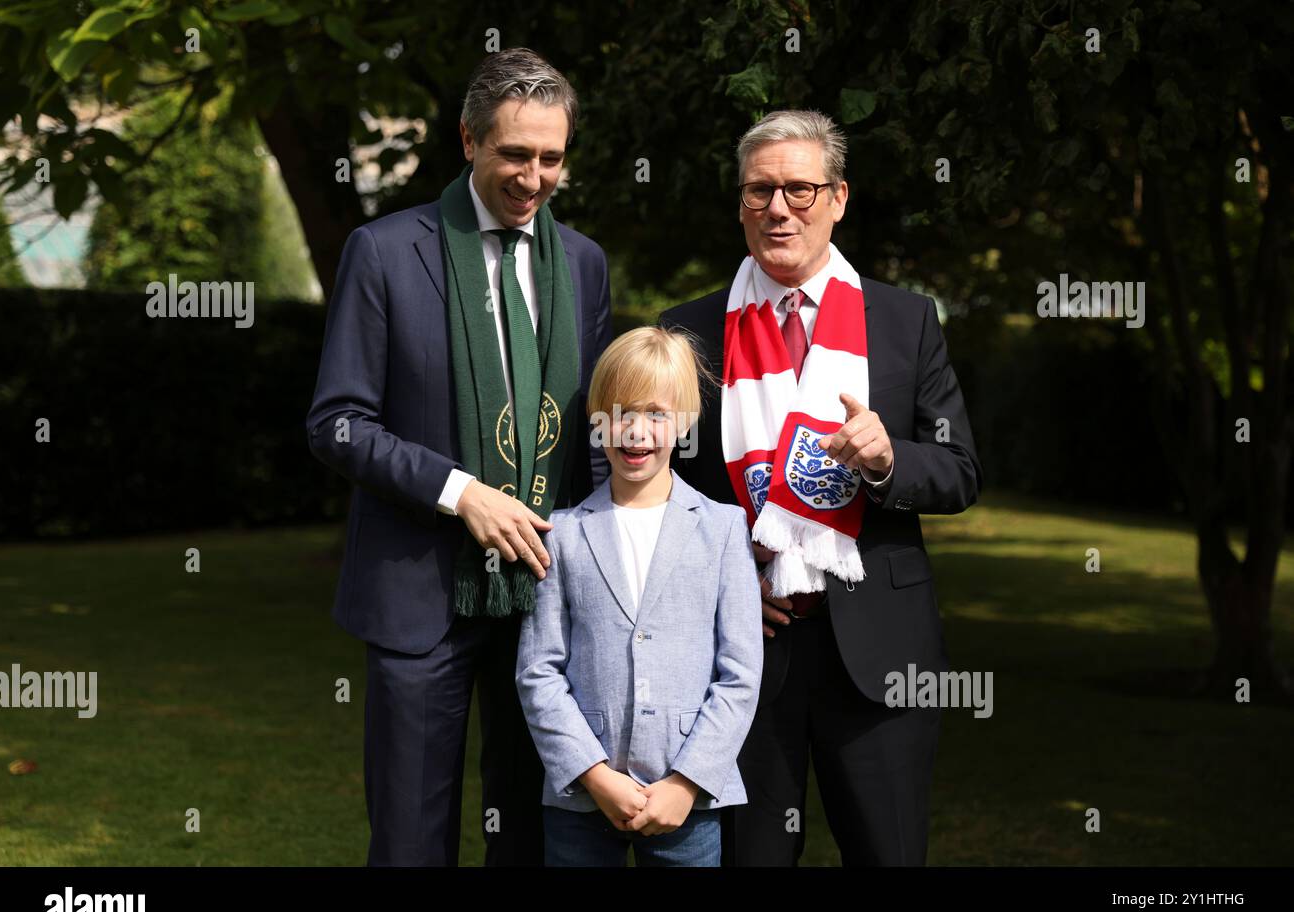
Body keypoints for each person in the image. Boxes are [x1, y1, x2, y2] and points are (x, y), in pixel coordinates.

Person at [306, 48, 613, 866]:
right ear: (469, 140)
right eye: (515, 153)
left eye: (551, 157)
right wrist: (461, 492)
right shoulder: (383, 251)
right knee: (410, 842)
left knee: (535, 834)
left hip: (545, 598)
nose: (533, 176)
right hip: (418, 596)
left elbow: (589, 429)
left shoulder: (583, 262)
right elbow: (337, 422)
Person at [660, 109, 983, 866]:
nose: (778, 208)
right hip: (740, 655)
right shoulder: (688, 331)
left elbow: (961, 470)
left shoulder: (904, 320)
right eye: (759, 191)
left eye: (800, 190)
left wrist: (886, 459)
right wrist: (723, 569)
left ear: (839, 198)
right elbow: (652, 492)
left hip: (878, 656)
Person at [516, 326, 763, 866]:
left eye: (656, 413)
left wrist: (688, 780)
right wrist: (593, 775)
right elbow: (539, 670)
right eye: (620, 412)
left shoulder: (723, 529)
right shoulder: (563, 534)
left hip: (687, 802)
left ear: (684, 422)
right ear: (598, 418)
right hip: (582, 800)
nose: (636, 431)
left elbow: (740, 673)